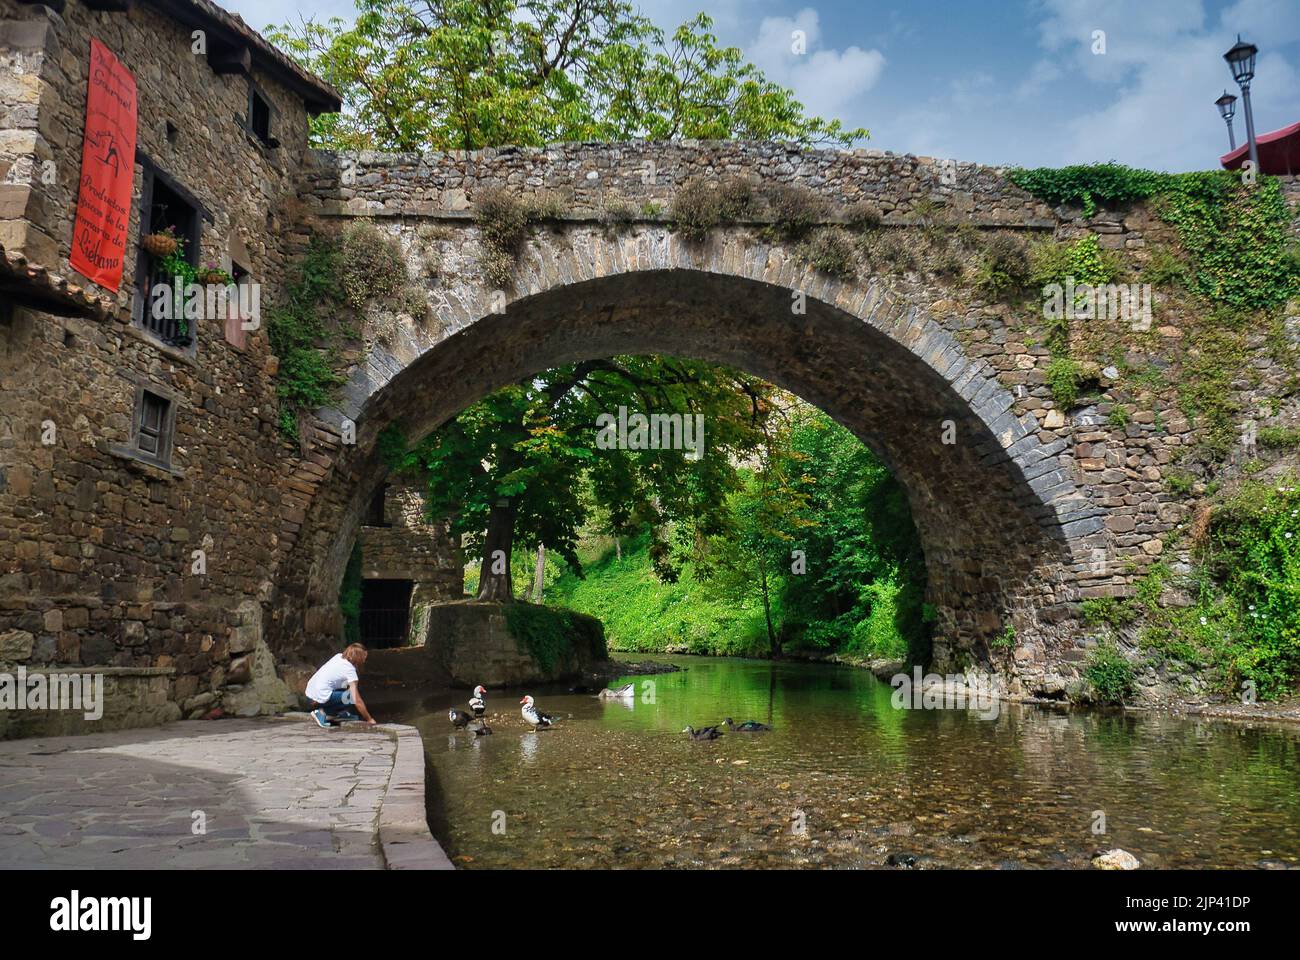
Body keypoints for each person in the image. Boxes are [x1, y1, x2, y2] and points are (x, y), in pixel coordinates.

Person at [304, 643, 377, 728]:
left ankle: (336, 713)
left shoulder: (338, 656)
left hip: (310, 694)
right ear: (358, 657)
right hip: (318, 698)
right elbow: (357, 700)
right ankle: (322, 713)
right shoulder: (350, 670)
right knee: (351, 697)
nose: (365, 660)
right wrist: (369, 719)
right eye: (364, 657)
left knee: (346, 686)